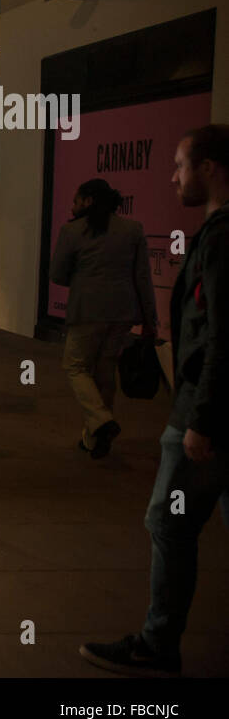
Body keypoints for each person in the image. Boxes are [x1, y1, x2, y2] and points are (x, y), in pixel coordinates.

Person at [80, 124, 229, 677]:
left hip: (205, 415)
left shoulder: (222, 236)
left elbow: (221, 337)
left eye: (181, 165)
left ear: (210, 168)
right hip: (207, 409)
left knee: (169, 522)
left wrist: (201, 418)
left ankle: (157, 643)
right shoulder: (213, 231)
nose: (173, 177)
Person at [49, 177, 158, 458]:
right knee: (105, 370)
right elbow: (143, 277)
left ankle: (101, 421)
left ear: (87, 201)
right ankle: (93, 438)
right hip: (123, 311)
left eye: (76, 200)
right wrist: (150, 318)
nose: (72, 206)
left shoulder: (72, 231)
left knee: (75, 366)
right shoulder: (132, 229)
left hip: (87, 309)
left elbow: (57, 274)